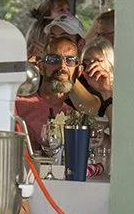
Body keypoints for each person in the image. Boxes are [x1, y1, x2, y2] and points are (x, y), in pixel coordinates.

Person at [15, 20, 85, 150]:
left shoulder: (76, 118)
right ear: (41, 66)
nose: (62, 66)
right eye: (53, 59)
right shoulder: (17, 106)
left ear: (79, 71)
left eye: (70, 60)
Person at [74, 37, 115, 118]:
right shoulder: (81, 82)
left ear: (109, 64)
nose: (91, 65)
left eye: (97, 61)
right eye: (86, 61)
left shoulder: (119, 91)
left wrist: (106, 91)